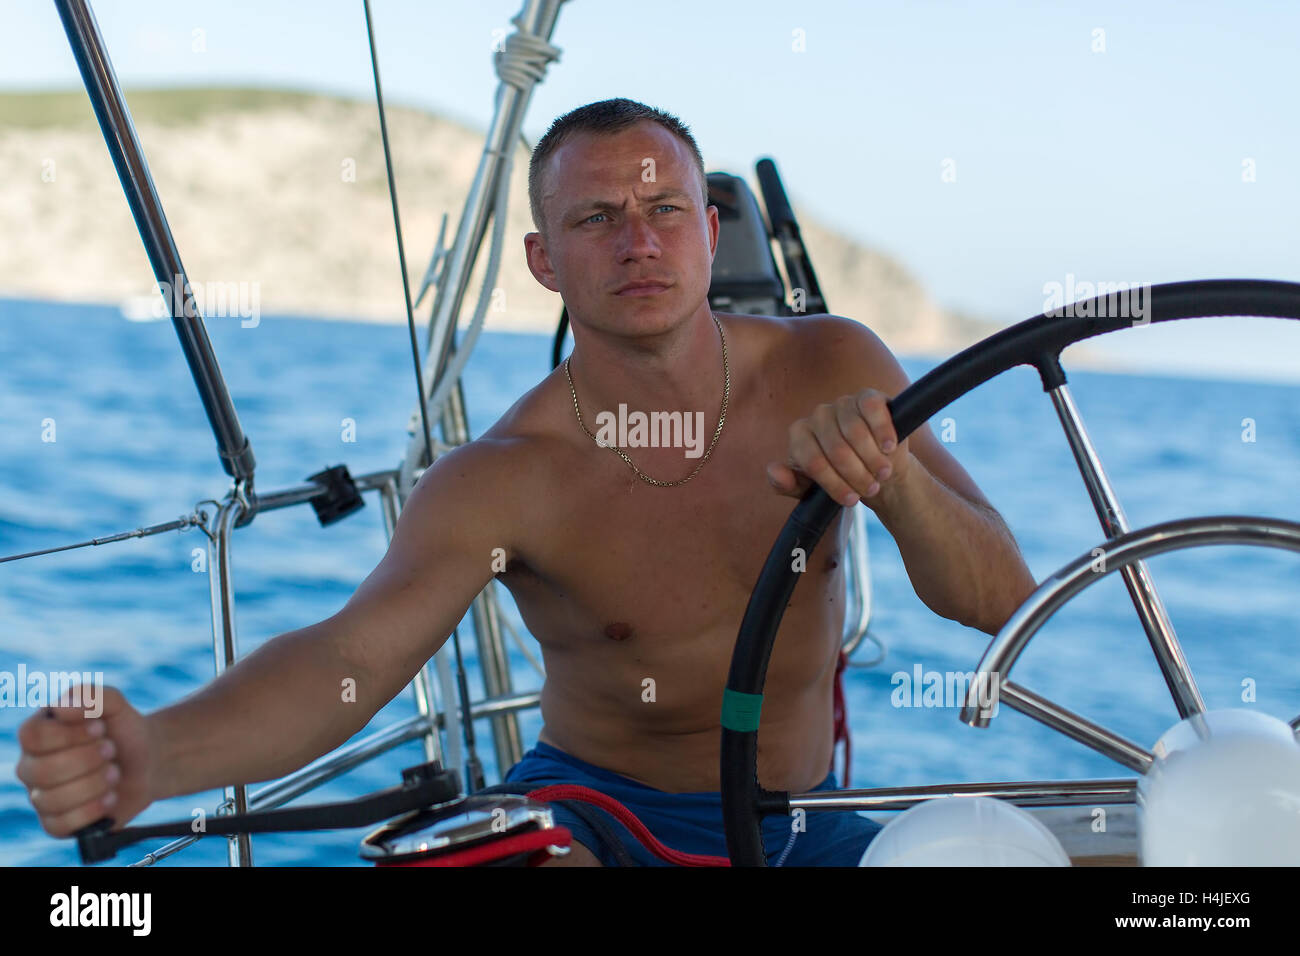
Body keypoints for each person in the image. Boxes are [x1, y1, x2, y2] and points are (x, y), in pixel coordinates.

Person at [15, 98, 1037, 867]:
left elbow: (1001, 600)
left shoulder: (835, 364)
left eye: (663, 208)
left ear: (707, 228)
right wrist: (155, 754)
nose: (638, 241)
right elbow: (348, 658)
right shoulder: (501, 478)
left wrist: (894, 480)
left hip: (801, 820)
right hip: (599, 816)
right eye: (597, 218)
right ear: (545, 260)